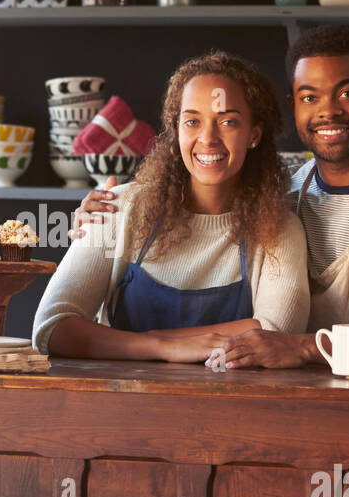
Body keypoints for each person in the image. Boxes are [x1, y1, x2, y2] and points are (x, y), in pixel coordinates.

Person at [71, 26, 349, 368]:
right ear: (293, 107)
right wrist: (99, 219)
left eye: (347, 93)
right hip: (293, 408)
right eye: (310, 97)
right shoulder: (281, 193)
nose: (328, 111)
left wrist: (305, 345)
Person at [33, 51, 309, 361]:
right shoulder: (119, 208)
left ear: (254, 135)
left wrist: (126, 340)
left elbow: (276, 333)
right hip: (116, 402)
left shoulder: (279, 229)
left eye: (228, 122)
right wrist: (161, 346)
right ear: (176, 132)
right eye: (192, 121)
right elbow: (51, 328)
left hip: (230, 406)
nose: (208, 138)